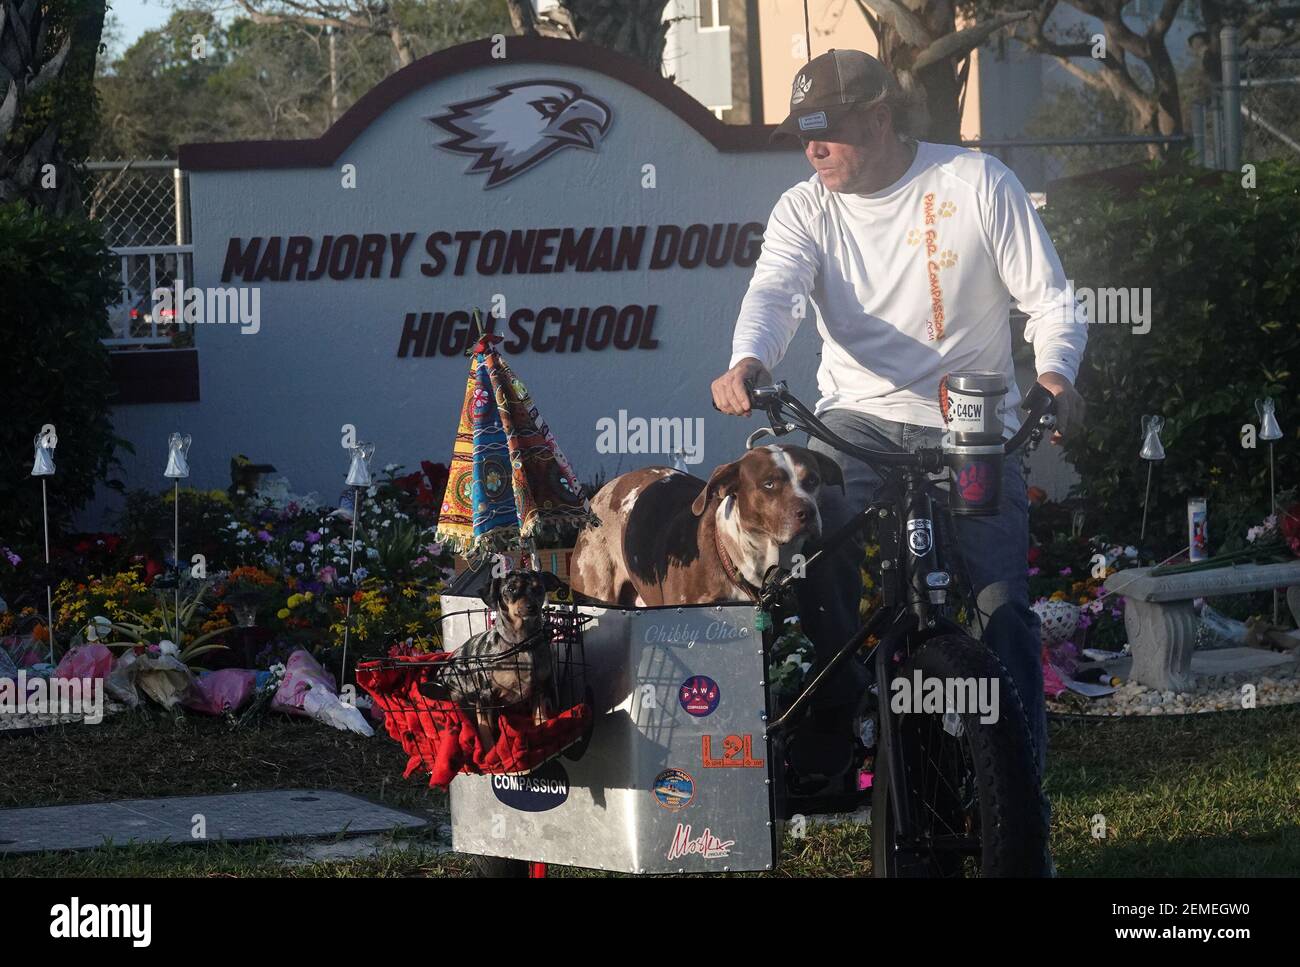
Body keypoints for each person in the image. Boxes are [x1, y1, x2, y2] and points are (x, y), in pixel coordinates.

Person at [710, 49, 1087, 789]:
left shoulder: (974, 181)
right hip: (857, 418)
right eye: (802, 135)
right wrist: (747, 360)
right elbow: (774, 294)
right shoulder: (805, 207)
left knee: (1001, 607)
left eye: (829, 131)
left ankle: (1020, 782)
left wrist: (1054, 374)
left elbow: (1050, 299)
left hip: (971, 421)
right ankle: (834, 727)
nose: (813, 149)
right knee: (817, 550)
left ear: (880, 119)